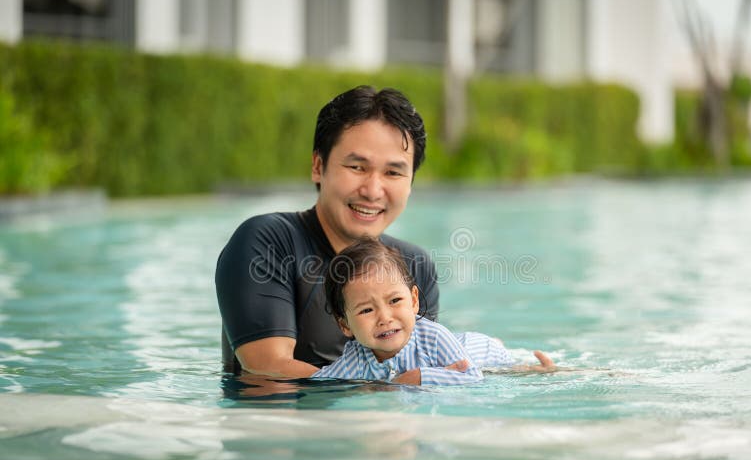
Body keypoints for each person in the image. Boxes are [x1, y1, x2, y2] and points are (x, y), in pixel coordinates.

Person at [215, 85, 553, 381]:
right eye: (357, 167)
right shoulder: (268, 241)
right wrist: (378, 390)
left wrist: (516, 375)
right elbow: (267, 369)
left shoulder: (413, 265)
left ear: (410, 183)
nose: (373, 190)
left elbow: (426, 368)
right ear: (319, 166)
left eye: (393, 172)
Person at [312, 237, 555, 385]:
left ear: (414, 300)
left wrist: (419, 377)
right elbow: (322, 381)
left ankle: (498, 344)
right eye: (366, 310)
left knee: (504, 370)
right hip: (454, 351)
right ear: (345, 324)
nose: (385, 318)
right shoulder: (355, 357)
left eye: (395, 300)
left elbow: (472, 377)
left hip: (480, 352)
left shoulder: (433, 336)